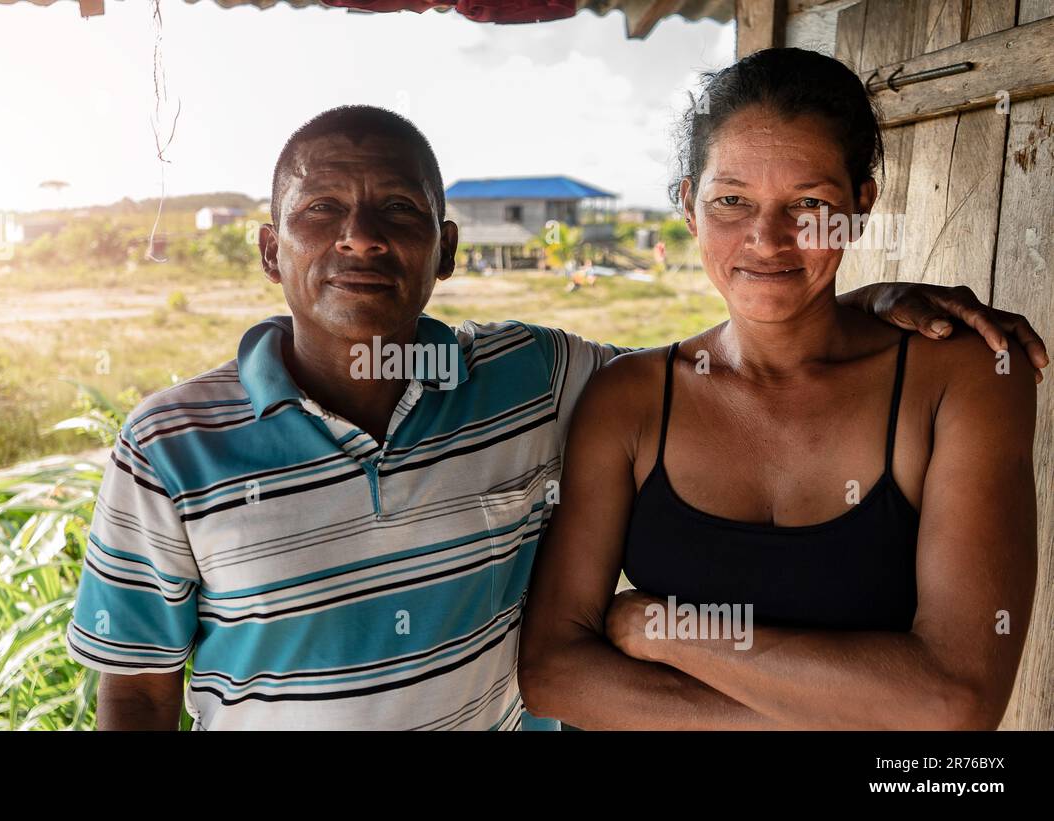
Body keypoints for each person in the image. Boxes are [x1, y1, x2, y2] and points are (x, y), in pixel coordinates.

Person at [66, 104, 1046, 730]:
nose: (360, 236)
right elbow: (137, 694)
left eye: (399, 212)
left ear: (445, 249)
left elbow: (736, 366)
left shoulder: (529, 377)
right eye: (319, 210)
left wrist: (862, 308)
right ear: (271, 251)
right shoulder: (167, 449)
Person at [518, 49, 1040, 730]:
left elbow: (957, 704)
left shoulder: (963, 376)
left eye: (810, 203)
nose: (767, 238)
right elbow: (554, 673)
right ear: (687, 205)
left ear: (861, 204)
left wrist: (666, 629)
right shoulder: (631, 398)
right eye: (731, 200)